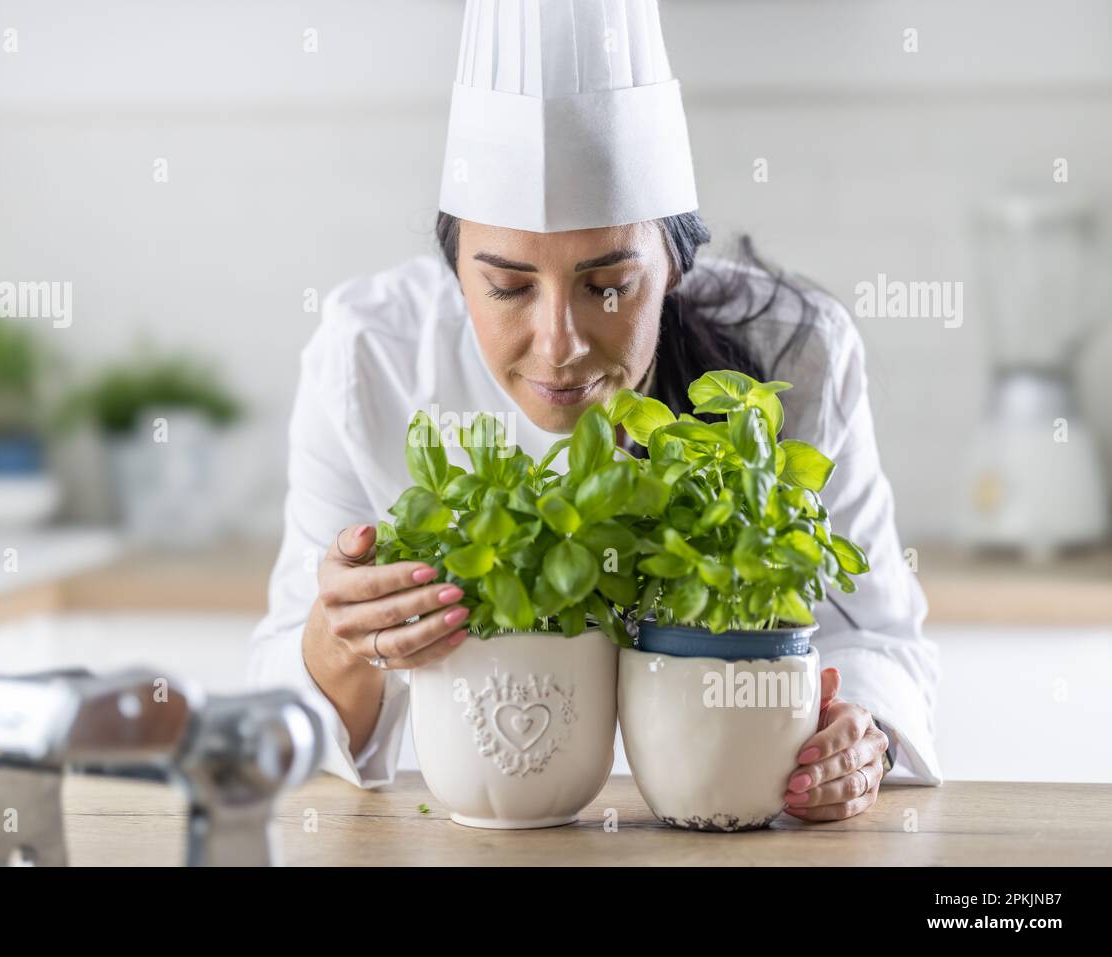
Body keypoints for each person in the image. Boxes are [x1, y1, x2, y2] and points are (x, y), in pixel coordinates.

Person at [244, 0, 942, 824]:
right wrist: (344, 637)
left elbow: (879, 636)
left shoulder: (797, 354)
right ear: (455, 268)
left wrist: (864, 737)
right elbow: (281, 718)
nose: (558, 344)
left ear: (676, 264)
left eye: (608, 283)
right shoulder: (369, 357)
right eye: (506, 286)